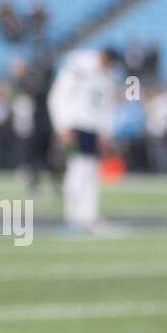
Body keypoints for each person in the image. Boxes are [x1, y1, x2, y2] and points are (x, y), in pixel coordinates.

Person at [46, 47, 120, 233]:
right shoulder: (77, 66)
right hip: (76, 125)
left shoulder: (109, 76)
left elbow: (107, 105)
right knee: (76, 169)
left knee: (91, 172)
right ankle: (72, 217)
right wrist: (62, 125)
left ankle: (88, 216)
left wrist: (106, 132)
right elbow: (58, 97)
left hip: (94, 128)